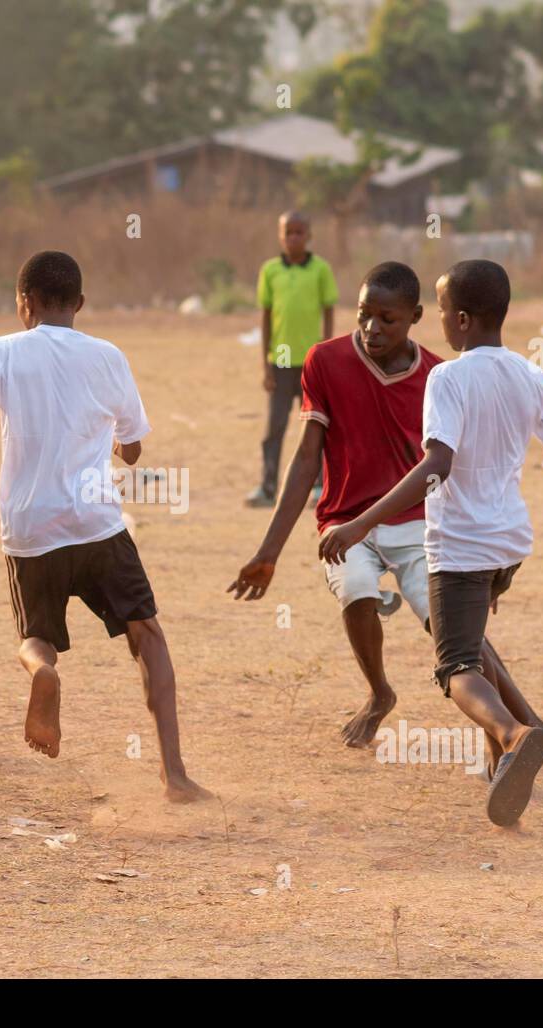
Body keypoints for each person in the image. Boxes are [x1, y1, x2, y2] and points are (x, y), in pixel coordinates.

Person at [0, 251, 210, 803]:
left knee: (36, 637)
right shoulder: (109, 355)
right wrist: (114, 441)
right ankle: (174, 774)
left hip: (32, 526)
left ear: (23, 305)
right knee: (146, 635)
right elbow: (132, 450)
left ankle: (44, 671)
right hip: (97, 523)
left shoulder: (4, 351)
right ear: (80, 304)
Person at [318, 260, 543, 826]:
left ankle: (513, 736)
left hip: (460, 546)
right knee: (473, 642)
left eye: (441, 311)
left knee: (458, 668)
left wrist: (361, 522)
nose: (438, 321)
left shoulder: (448, 378)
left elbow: (436, 466)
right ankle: (501, 775)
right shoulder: (527, 374)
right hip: (508, 546)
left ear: (462, 319)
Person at [231, 262, 440, 747]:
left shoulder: (438, 375)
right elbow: (306, 459)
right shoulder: (325, 361)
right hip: (345, 523)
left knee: (447, 623)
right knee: (357, 591)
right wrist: (269, 552)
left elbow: (449, 467)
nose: (372, 328)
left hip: (415, 521)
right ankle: (379, 693)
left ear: (415, 316)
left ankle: (515, 723)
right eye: (365, 313)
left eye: (388, 319)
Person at [247, 210, 338, 508]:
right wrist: (265, 365)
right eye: (288, 232)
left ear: (309, 235)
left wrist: (325, 354)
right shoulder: (271, 270)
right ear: (280, 235)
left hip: (312, 363)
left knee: (314, 427)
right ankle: (268, 487)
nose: (293, 237)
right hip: (282, 361)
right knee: (274, 427)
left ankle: (318, 487)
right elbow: (266, 316)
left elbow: (328, 310)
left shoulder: (320, 270)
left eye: (299, 232)